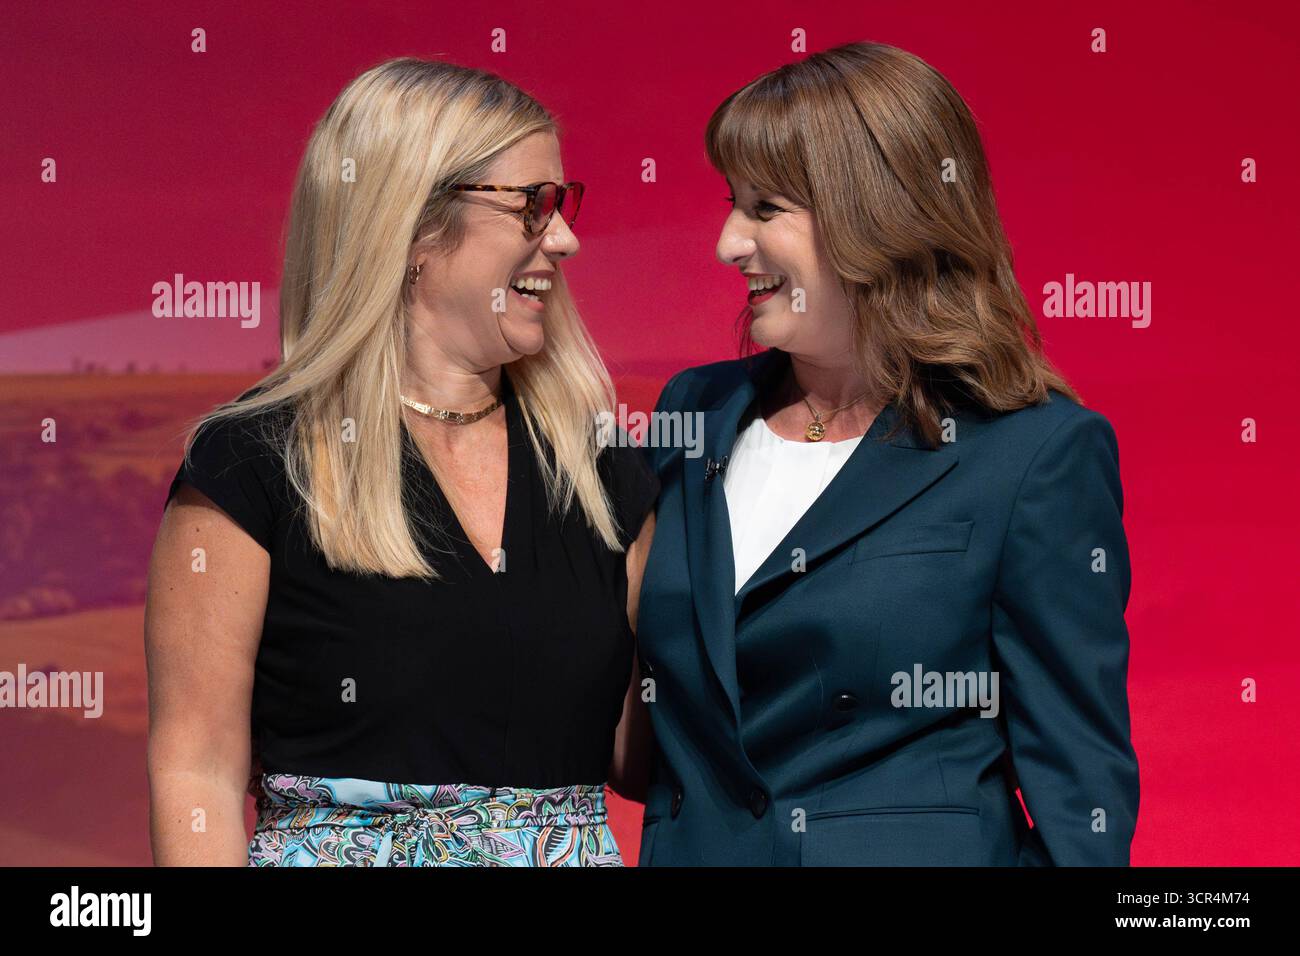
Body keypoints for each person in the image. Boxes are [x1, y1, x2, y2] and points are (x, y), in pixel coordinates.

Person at [634, 41, 1139, 866]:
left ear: (878, 214)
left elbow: (1081, 792)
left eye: (766, 209)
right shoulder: (695, 412)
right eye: (734, 204)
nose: (728, 242)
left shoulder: (1035, 452)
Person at [144, 57, 658, 867]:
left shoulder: (603, 475)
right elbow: (196, 773)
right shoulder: (254, 465)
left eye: (563, 203)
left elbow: (643, 758)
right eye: (533, 204)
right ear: (415, 227)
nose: (565, 236)